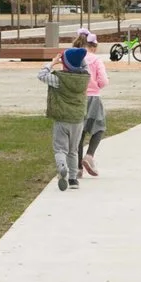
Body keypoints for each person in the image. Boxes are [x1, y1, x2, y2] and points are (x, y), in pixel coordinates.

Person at [41, 44, 91, 191]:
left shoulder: (58, 80)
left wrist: (53, 62)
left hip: (62, 119)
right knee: (73, 150)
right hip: (77, 120)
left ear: (65, 64)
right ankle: (73, 179)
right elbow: (84, 65)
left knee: (60, 149)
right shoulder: (85, 79)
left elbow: (41, 75)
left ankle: (62, 167)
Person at [72, 28, 109, 177]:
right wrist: (97, 85)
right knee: (99, 127)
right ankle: (89, 156)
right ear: (93, 46)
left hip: (77, 97)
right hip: (93, 97)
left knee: (79, 132)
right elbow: (103, 81)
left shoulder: (74, 57)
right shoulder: (95, 59)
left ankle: (77, 168)